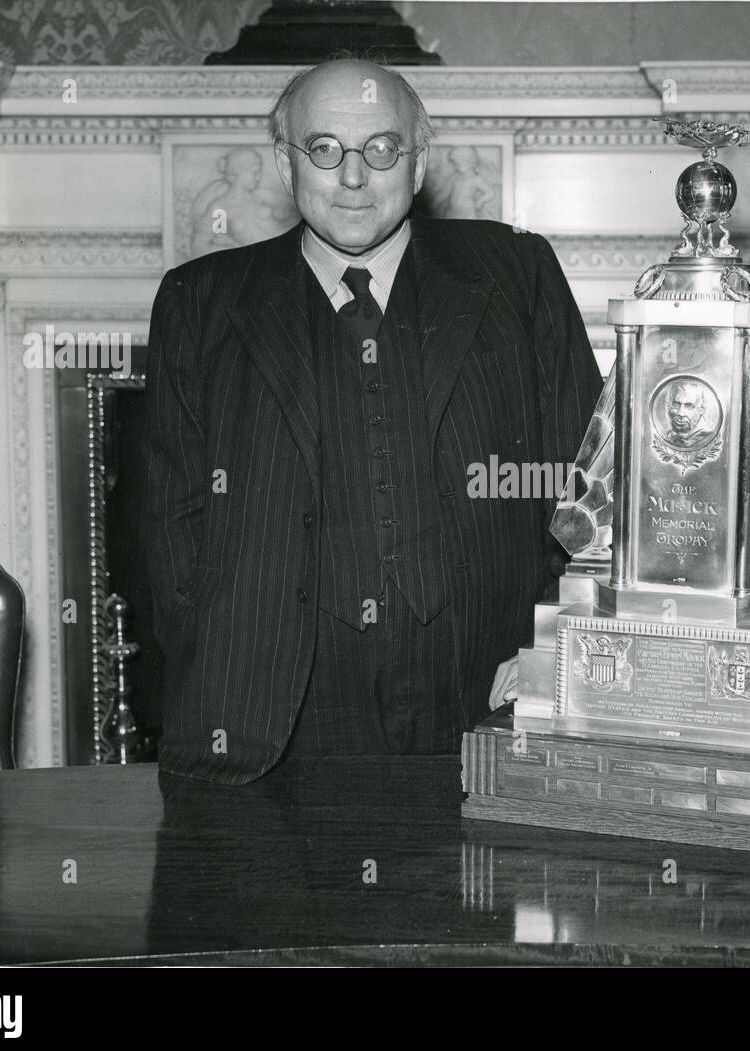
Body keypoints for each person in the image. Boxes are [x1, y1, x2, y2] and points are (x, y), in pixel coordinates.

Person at [143, 59, 603, 784]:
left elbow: (589, 492)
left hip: (482, 700)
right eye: (324, 149)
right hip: (271, 727)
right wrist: (225, 668)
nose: (353, 176)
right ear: (284, 163)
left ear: (418, 163)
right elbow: (170, 525)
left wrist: (553, 649)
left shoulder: (517, 273)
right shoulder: (199, 302)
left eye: (382, 148)